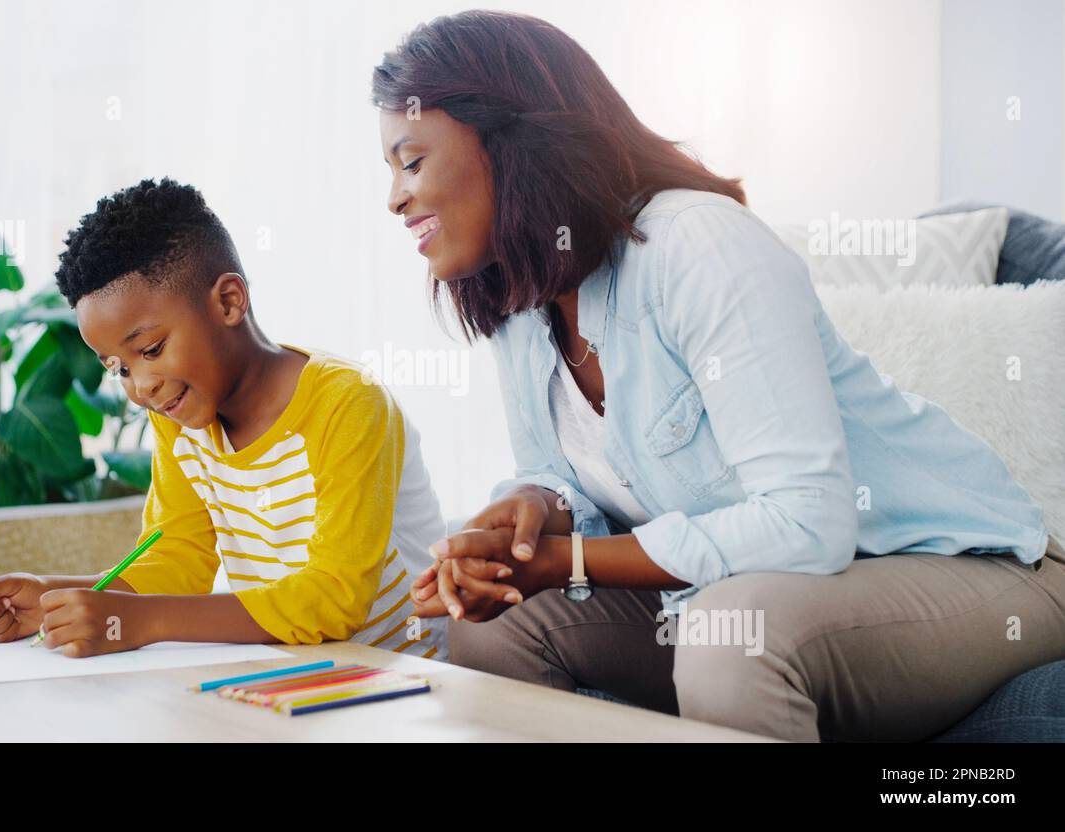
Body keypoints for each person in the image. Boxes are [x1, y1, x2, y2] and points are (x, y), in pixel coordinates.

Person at [373, 10, 1065, 741]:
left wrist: (565, 559)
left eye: (411, 161)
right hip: (760, 590)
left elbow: (807, 521)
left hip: (969, 570)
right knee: (497, 625)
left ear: (512, 142)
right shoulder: (519, 298)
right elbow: (570, 475)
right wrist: (531, 511)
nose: (394, 198)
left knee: (733, 638)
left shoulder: (696, 245)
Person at [0, 178, 447, 660]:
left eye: (151, 349)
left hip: (397, 681)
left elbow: (334, 599)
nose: (140, 386)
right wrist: (53, 599)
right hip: (288, 676)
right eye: (119, 368)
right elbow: (176, 560)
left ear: (229, 301)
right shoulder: (181, 415)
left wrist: (141, 621)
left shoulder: (348, 402)